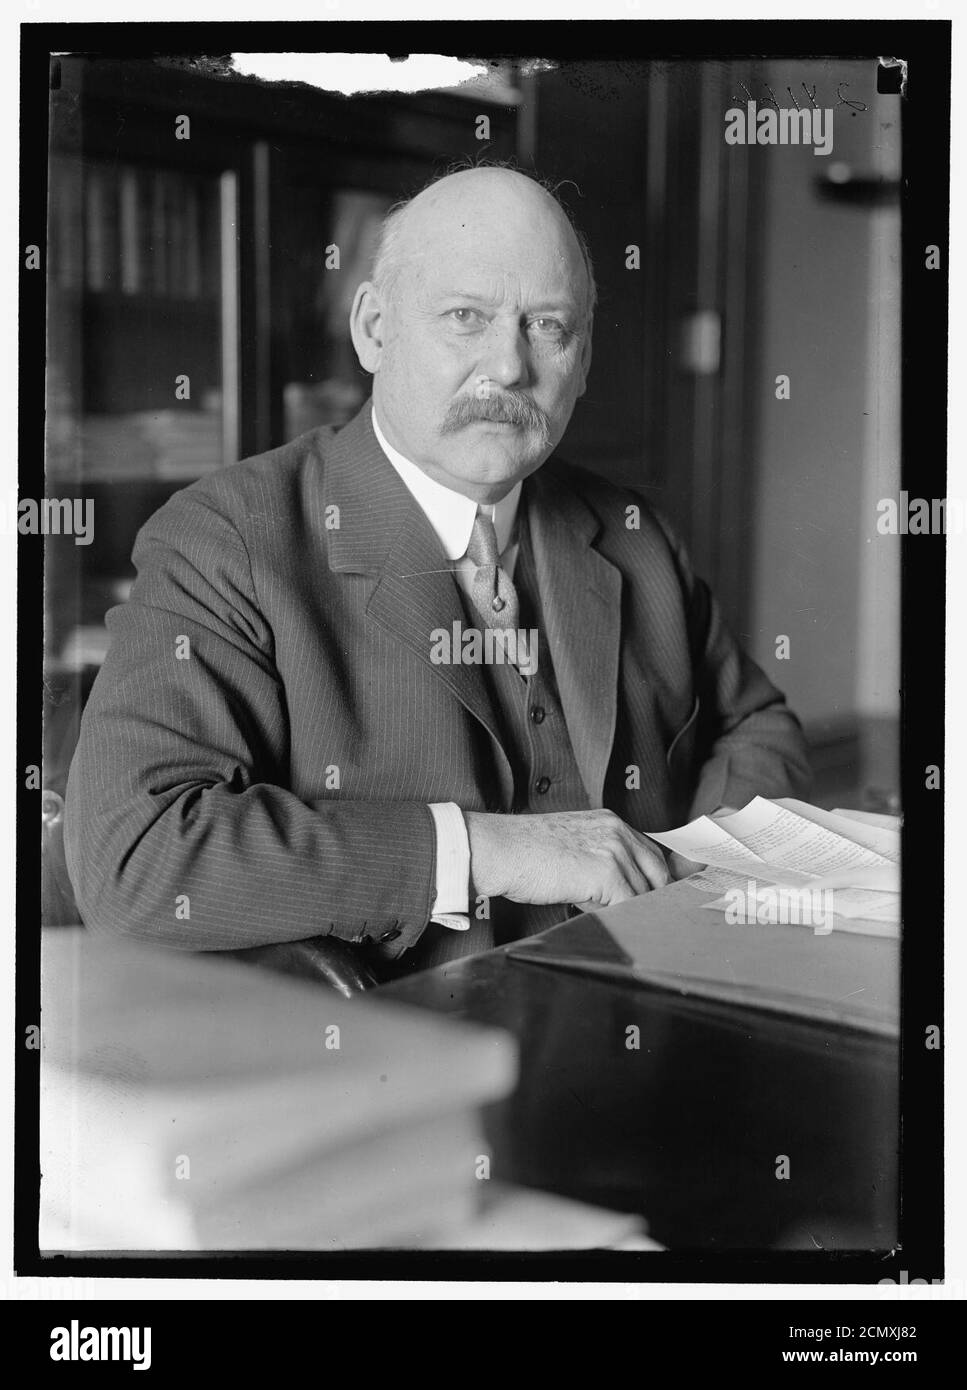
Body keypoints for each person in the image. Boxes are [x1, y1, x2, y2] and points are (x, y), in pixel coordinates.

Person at [64, 165, 811, 977]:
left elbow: (754, 725)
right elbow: (133, 859)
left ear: (584, 359)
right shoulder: (227, 541)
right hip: (396, 1063)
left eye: (548, 328)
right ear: (374, 329)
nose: (509, 367)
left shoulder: (635, 534)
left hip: (649, 1012)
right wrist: (481, 849)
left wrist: (695, 875)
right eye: (466, 317)